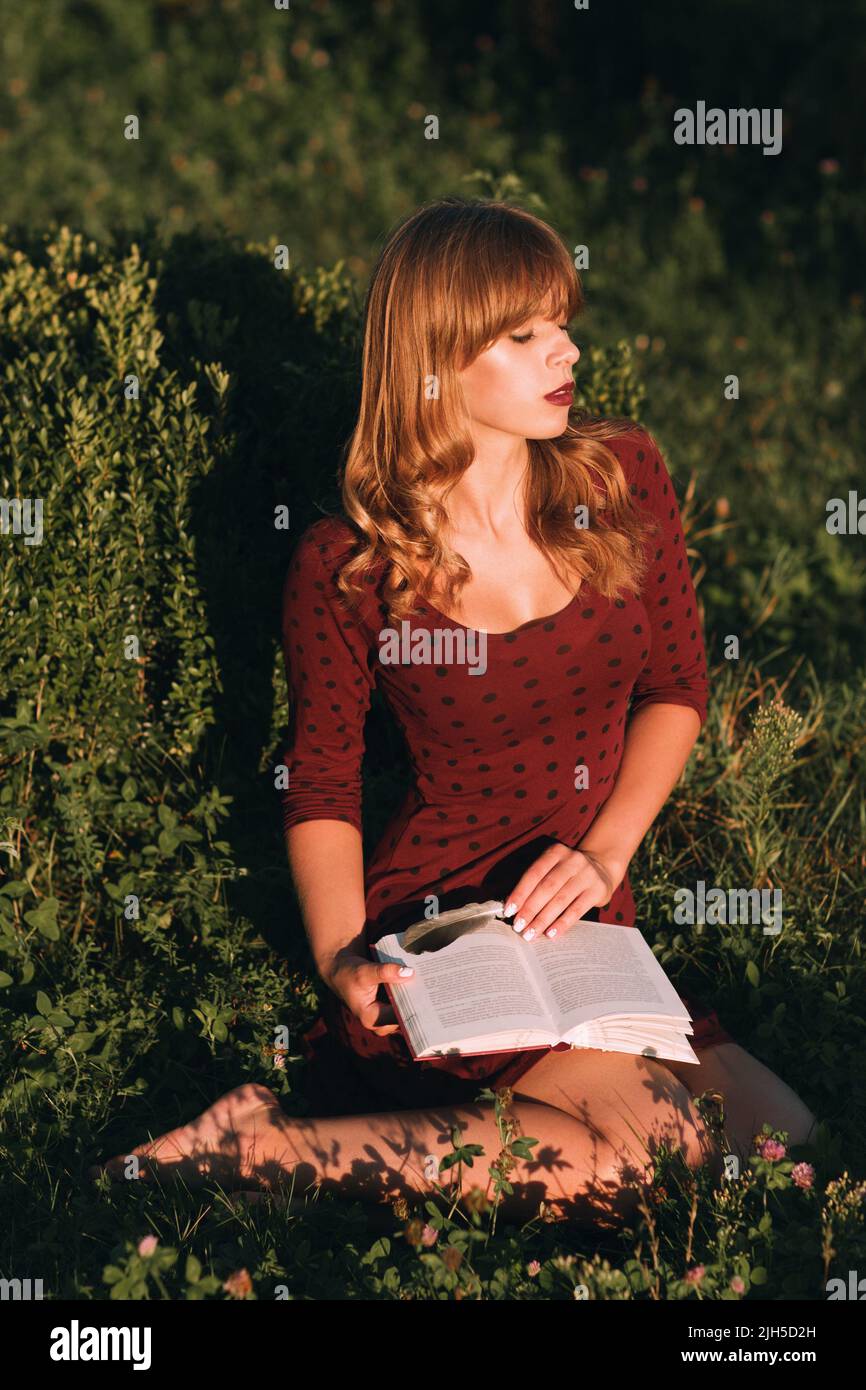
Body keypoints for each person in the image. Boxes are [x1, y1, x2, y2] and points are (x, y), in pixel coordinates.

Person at [92, 198, 816, 1227]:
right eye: (521, 336)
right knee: (661, 1155)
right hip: (444, 928)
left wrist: (605, 853)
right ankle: (261, 1147)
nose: (563, 348)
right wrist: (340, 953)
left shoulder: (619, 477)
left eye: (558, 320)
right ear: (434, 364)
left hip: (582, 911)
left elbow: (674, 689)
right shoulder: (350, 564)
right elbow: (322, 777)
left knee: (779, 1135)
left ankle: (353, 1143)